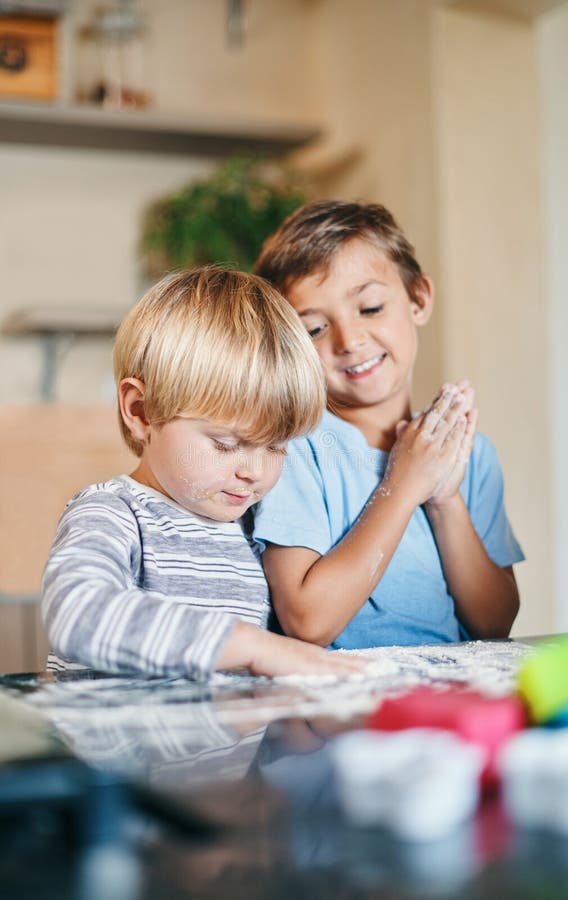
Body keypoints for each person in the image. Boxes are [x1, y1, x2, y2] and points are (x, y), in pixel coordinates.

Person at [41, 267, 364, 680]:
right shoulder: (114, 513)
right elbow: (78, 613)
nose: (254, 471)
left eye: (276, 446)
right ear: (141, 411)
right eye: (226, 444)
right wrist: (250, 645)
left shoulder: (249, 529)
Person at [253, 201, 524, 649]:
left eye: (371, 307)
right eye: (315, 329)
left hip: (449, 687)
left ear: (419, 298)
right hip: (342, 691)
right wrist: (403, 484)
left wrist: (445, 499)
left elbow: (495, 625)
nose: (350, 340)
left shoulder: (469, 454)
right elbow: (307, 622)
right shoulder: (292, 449)